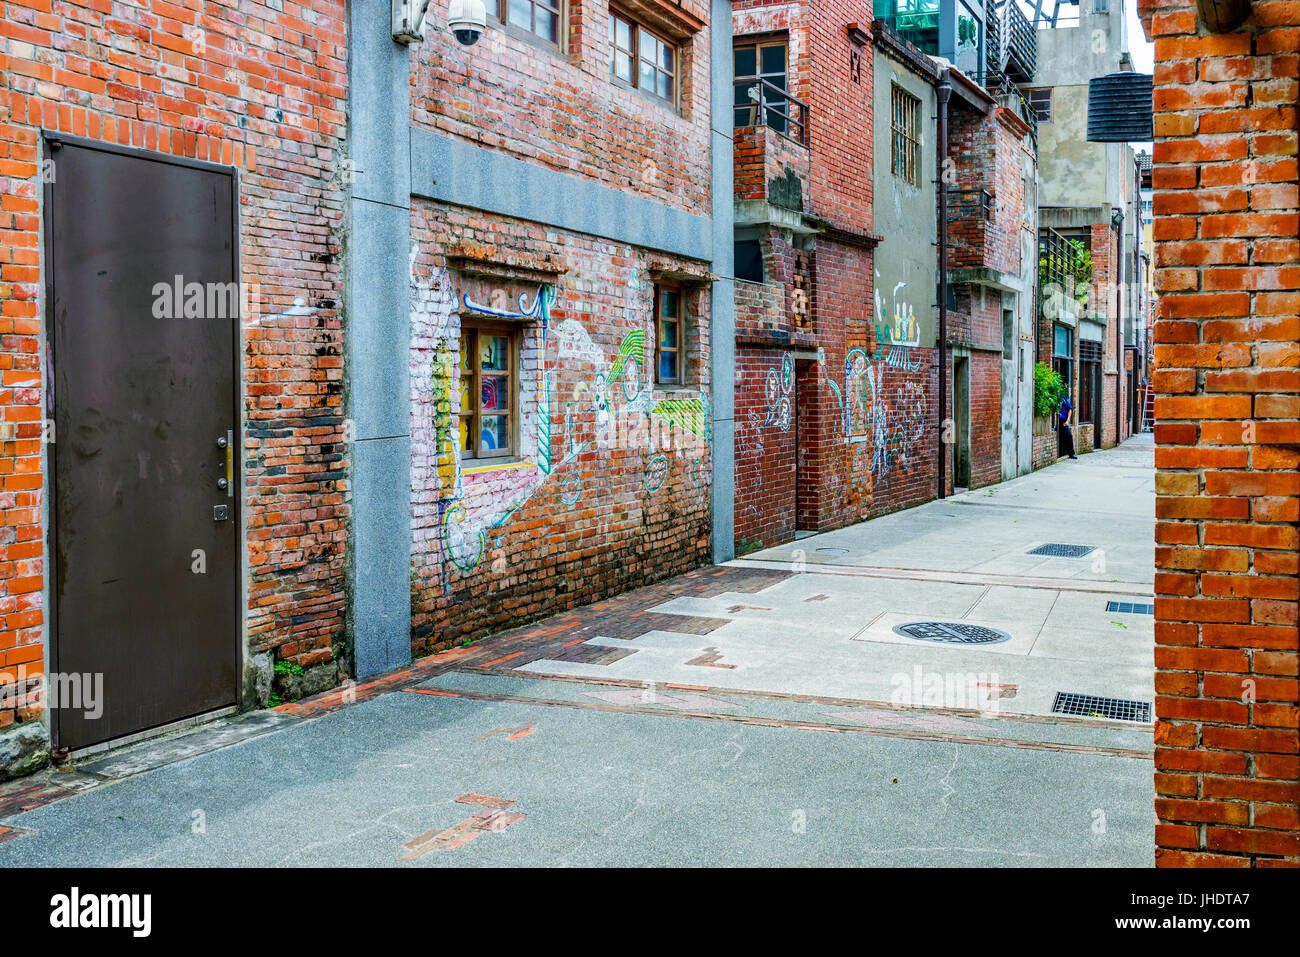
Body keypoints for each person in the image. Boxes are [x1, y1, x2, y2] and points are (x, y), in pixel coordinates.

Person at [1058, 394, 1077, 460]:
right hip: (1056, 420)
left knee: (1069, 435)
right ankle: (1060, 453)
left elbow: (1070, 409)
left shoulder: (1064, 397)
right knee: (1060, 437)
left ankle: (1071, 453)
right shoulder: (1053, 395)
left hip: (1063, 420)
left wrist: (1067, 421)